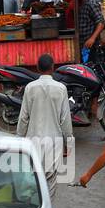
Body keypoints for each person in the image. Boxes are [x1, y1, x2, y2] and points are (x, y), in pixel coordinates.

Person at [18, 53, 74, 193]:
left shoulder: (30, 88)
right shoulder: (61, 89)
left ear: (37, 68)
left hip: (32, 140)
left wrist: (19, 140)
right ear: (52, 68)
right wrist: (69, 142)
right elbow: (65, 120)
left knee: (32, 180)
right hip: (54, 142)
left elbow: (23, 118)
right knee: (50, 181)